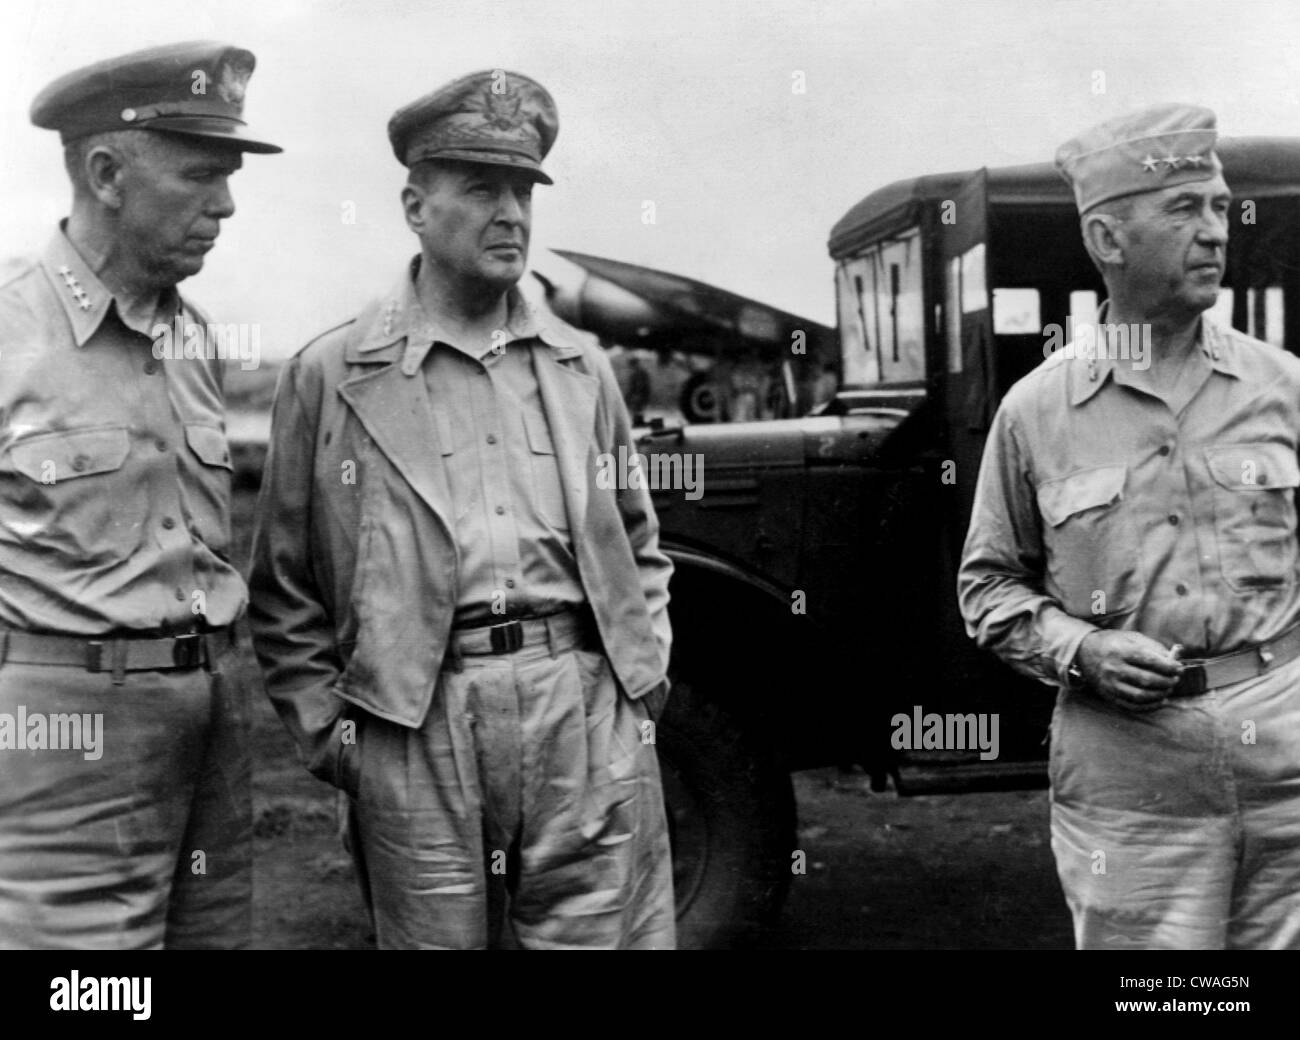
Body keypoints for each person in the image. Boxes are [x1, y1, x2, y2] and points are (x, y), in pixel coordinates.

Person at [248, 69, 676, 950]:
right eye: (482, 188)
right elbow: (284, 588)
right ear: (415, 204)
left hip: (581, 706)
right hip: (414, 719)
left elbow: (639, 543)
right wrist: (336, 739)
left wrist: (640, 685)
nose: (512, 213)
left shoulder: (581, 366)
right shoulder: (331, 374)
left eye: (523, 190)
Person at [959, 103, 1300, 949]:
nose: (1216, 231)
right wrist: (1083, 650)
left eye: (1220, 207)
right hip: (1132, 781)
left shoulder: (1284, 387)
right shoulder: (1037, 411)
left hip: (1290, 765)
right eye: (1185, 210)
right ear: (1109, 241)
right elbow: (987, 586)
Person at [0, 41, 281, 949]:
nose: (226, 204)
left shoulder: (192, 338)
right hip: (62, 738)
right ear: (107, 172)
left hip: (210, 726)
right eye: (201, 175)